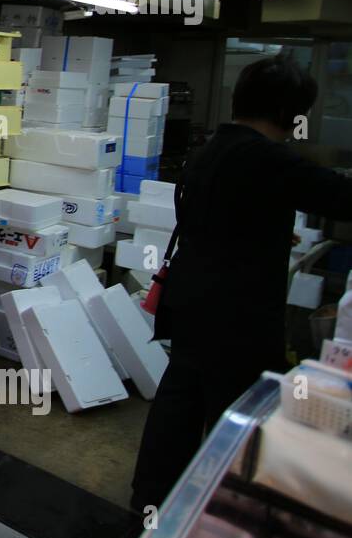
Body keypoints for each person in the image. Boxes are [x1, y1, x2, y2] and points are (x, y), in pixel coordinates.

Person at [131, 55, 352, 511]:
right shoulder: (269, 159)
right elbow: (340, 196)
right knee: (238, 415)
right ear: (292, 114)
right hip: (238, 316)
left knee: (180, 401)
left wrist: (269, 226)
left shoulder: (211, 148)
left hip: (191, 300)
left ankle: (150, 500)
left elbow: (219, 214)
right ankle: (228, 512)